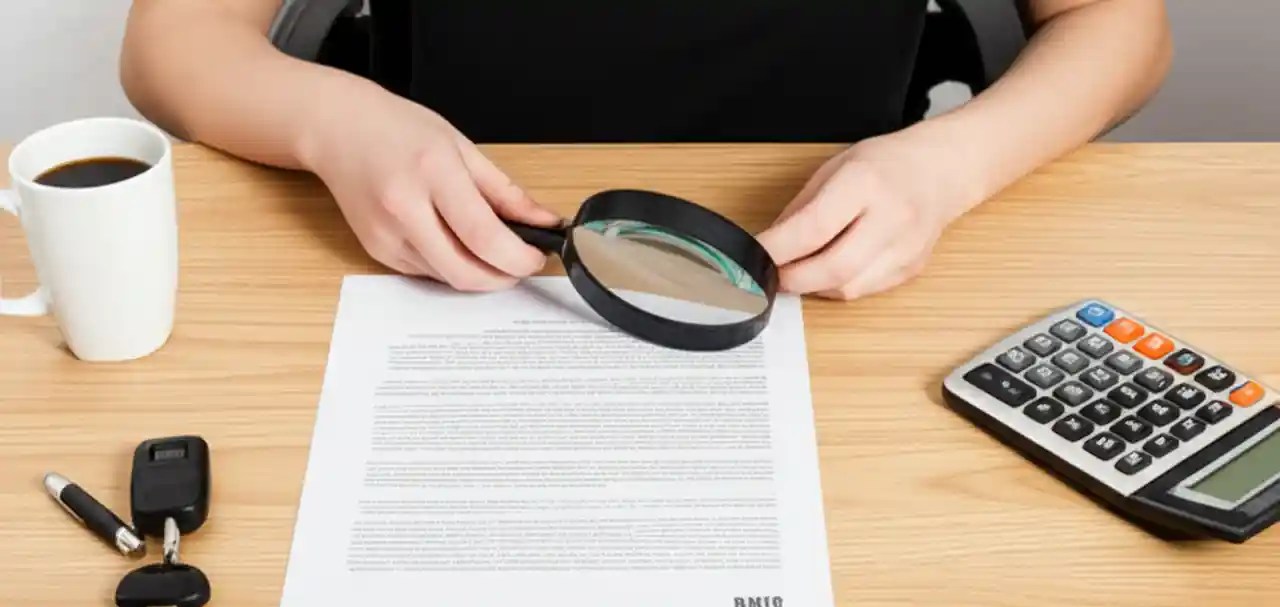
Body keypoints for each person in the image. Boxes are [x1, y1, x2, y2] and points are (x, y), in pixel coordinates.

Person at [120, 1, 1171, 301]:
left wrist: (949, 165)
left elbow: (1117, 24)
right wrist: (334, 120)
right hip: (450, 262)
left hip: (831, 277)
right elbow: (173, 39)